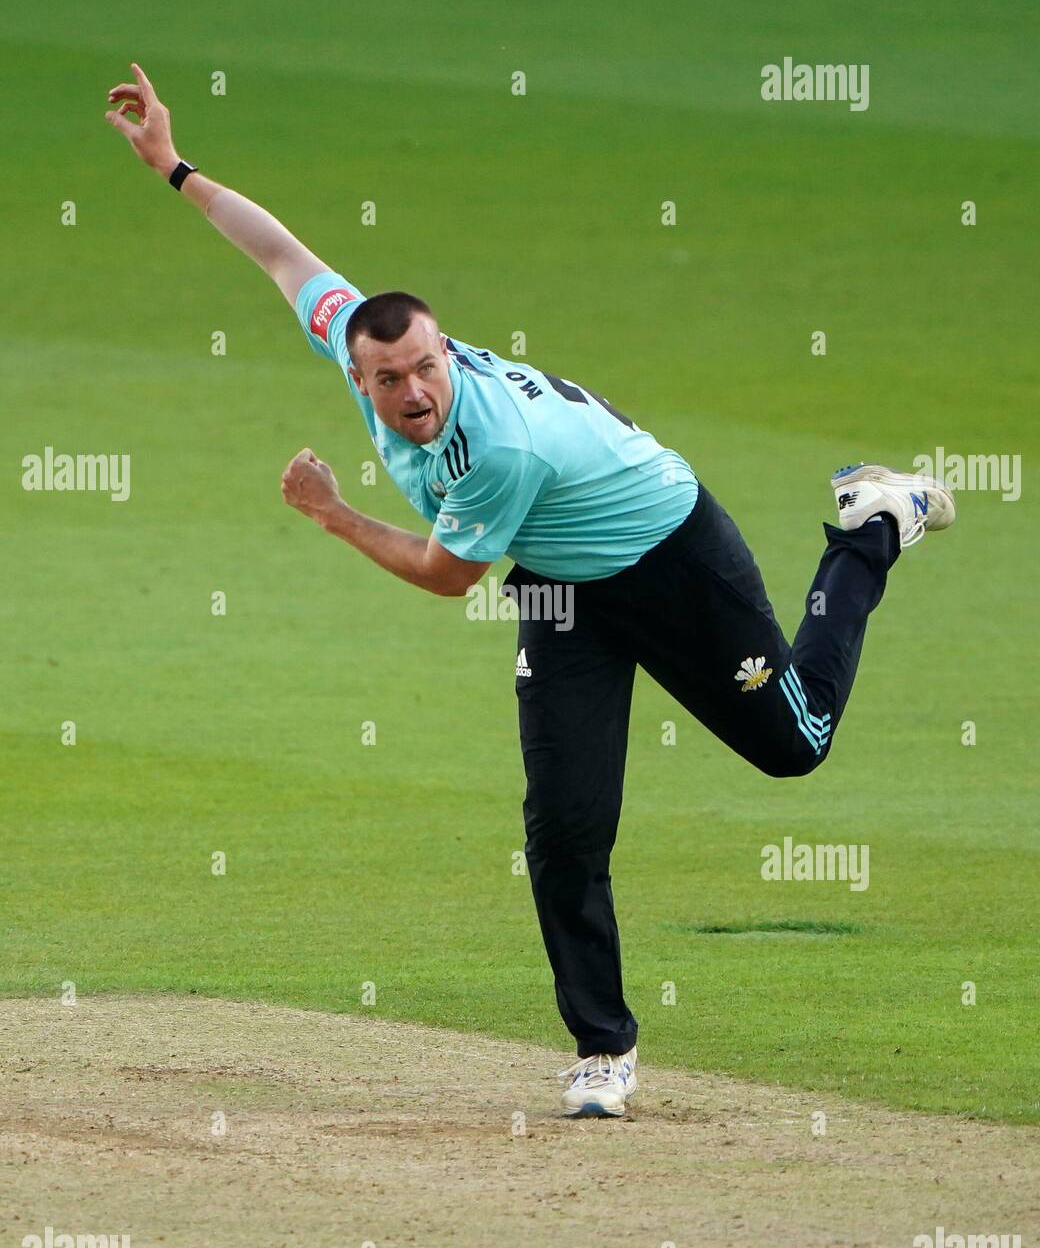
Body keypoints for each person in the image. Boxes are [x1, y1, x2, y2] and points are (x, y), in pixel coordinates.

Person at [106, 64, 955, 1118]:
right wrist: (173, 166)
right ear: (358, 368)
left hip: (671, 553)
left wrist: (330, 512)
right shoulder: (354, 341)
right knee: (562, 823)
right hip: (562, 586)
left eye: (424, 368)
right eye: (389, 378)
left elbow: (444, 573)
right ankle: (603, 1048)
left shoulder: (493, 449)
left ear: (441, 348)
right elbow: (282, 256)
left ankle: (870, 526)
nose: (412, 392)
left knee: (795, 743)